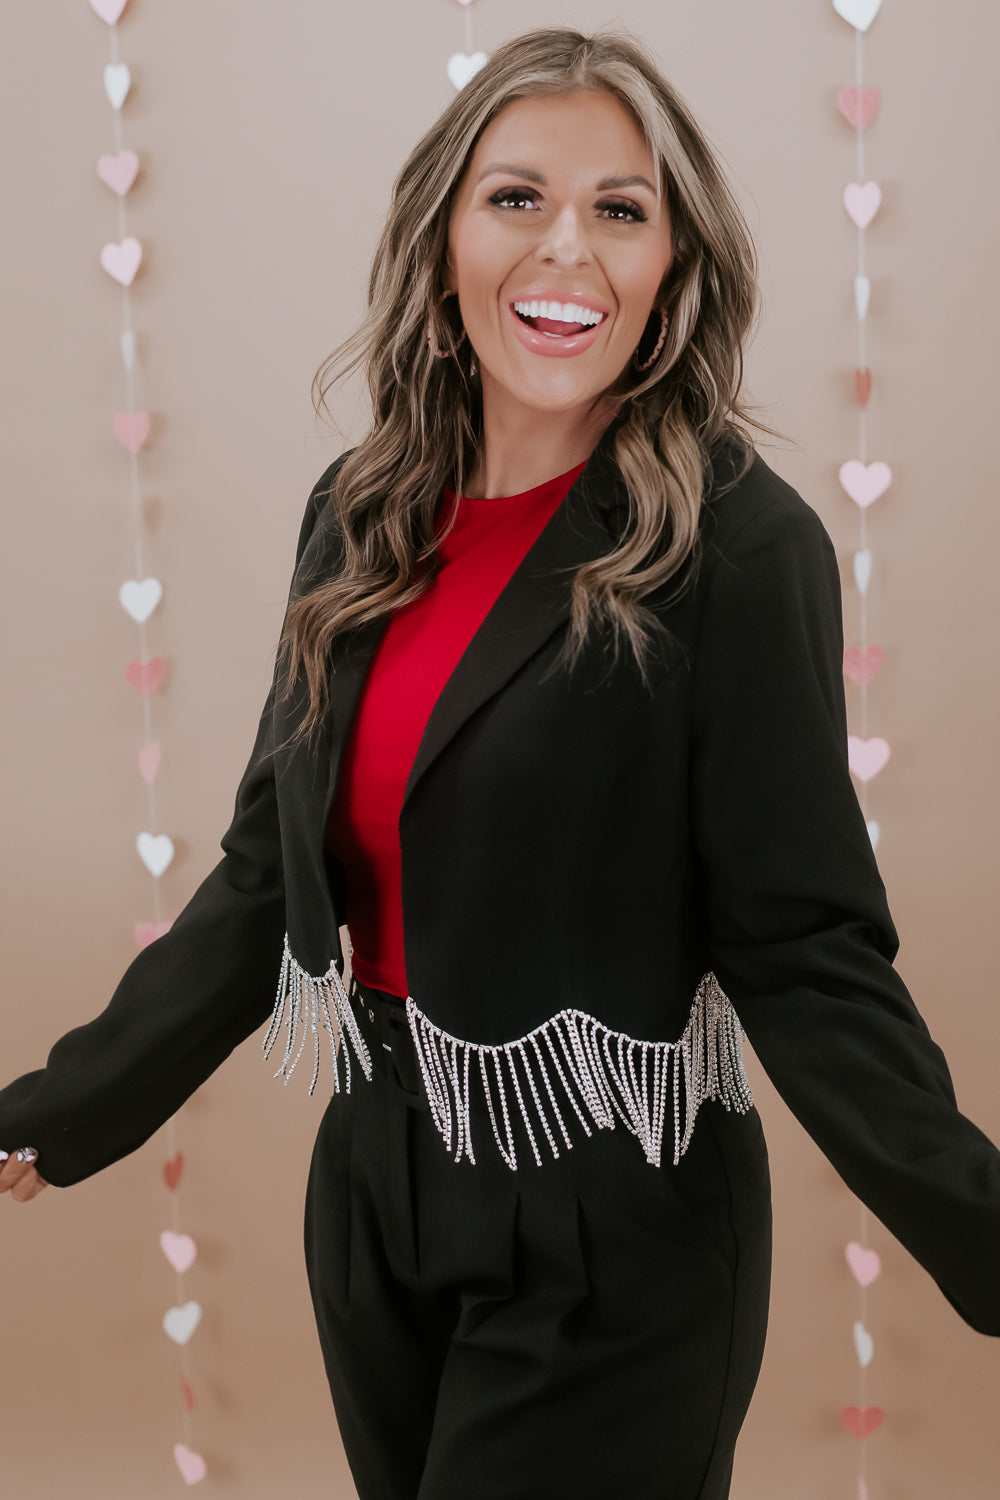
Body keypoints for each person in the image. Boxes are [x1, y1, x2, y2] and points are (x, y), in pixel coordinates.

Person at [1, 23, 998, 1500]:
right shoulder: (357, 515)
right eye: (518, 197)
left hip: (616, 1223)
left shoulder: (739, 546)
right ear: (444, 235)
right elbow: (267, 877)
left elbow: (803, 949)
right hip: (377, 1189)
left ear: (673, 263)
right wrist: (59, 1111)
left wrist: (980, 1225)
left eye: (621, 209)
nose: (567, 250)